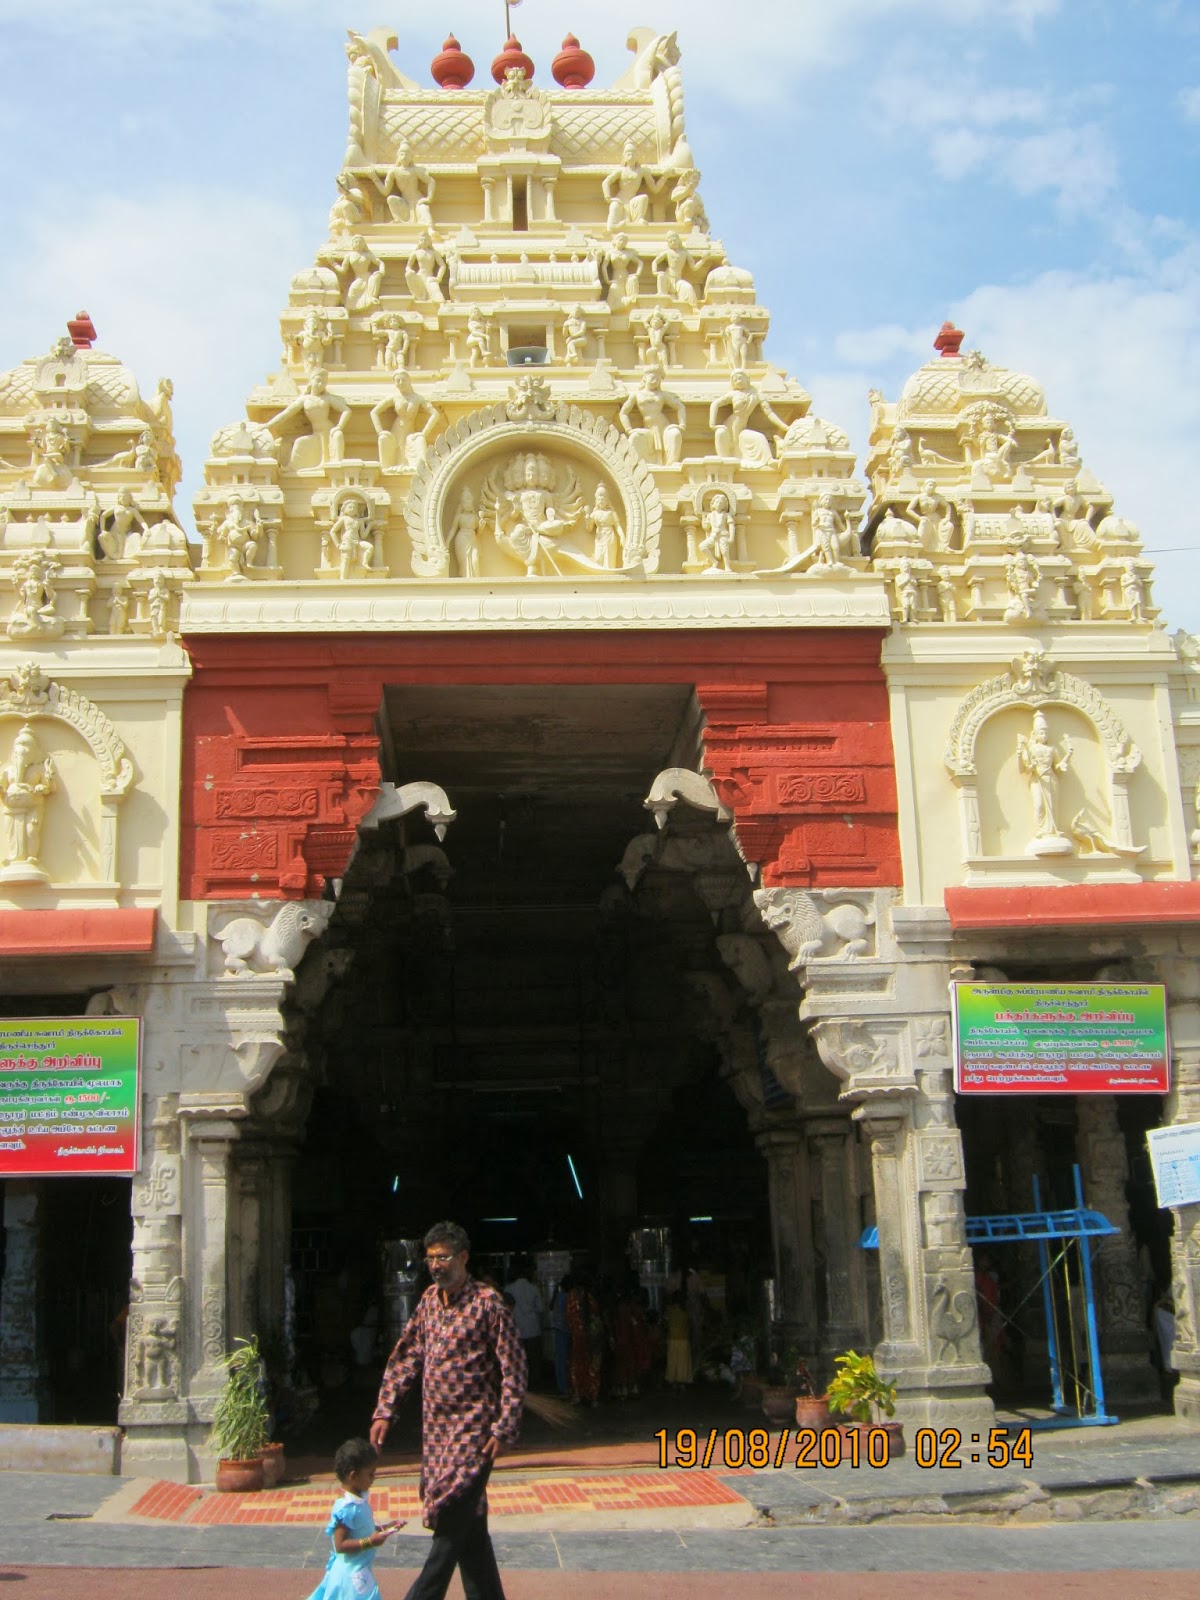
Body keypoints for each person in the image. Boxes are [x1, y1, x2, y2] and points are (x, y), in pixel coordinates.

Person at [370, 1221, 526, 1600]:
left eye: (444, 1257)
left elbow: (514, 1369)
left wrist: (505, 1427)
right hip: (437, 1437)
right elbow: (406, 1357)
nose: (436, 1265)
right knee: (469, 1534)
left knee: (451, 1524)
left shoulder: (488, 1304)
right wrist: (385, 1409)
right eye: (431, 1258)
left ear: (464, 1258)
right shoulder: (427, 1302)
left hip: (475, 1436)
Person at [305, 1437, 403, 1600]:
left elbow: (361, 1530)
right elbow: (340, 1545)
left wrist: (385, 1528)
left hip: (359, 1573)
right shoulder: (346, 1508)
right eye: (370, 1474)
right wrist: (370, 1542)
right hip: (351, 1578)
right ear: (353, 1476)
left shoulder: (358, 1500)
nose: (373, 1478)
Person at [503, 1258, 545, 1388]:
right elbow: (541, 1308)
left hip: (516, 1328)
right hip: (533, 1328)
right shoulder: (533, 1288)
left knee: (518, 1359)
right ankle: (535, 1383)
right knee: (534, 1359)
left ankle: (519, 1382)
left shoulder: (508, 1288)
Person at [664, 1290, 693, 1391]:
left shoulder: (670, 1310)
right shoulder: (686, 1310)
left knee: (673, 1361)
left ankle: (674, 1381)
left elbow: (666, 1324)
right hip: (683, 1339)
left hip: (672, 1338)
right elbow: (689, 1323)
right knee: (683, 1362)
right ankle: (682, 1382)